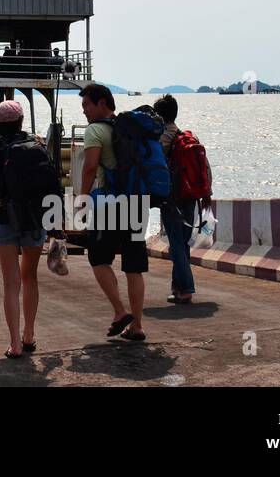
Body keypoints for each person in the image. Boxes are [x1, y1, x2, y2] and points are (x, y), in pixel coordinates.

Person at [78, 83, 148, 342]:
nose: (84, 110)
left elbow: (90, 166)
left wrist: (83, 198)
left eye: (87, 104)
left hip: (110, 203)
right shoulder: (127, 128)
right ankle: (137, 326)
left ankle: (120, 312)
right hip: (137, 201)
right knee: (134, 266)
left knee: (98, 258)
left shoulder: (95, 130)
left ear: (102, 104)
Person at [0, 100, 45, 357]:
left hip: (5, 217)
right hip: (34, 217)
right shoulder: (36, 141)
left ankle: (15, 343)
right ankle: (30, 334)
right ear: (21, 121)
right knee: (30, 278)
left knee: (11, 284)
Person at [154, 94, 207, 305]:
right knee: (181, 242)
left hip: (173, 197)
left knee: (176, 243)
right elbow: (205, 167)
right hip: (191, 195)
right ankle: (177, 288)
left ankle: (186, 289)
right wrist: (206, 194)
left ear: (159, 115)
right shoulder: (189, 137)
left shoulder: (163, 137)